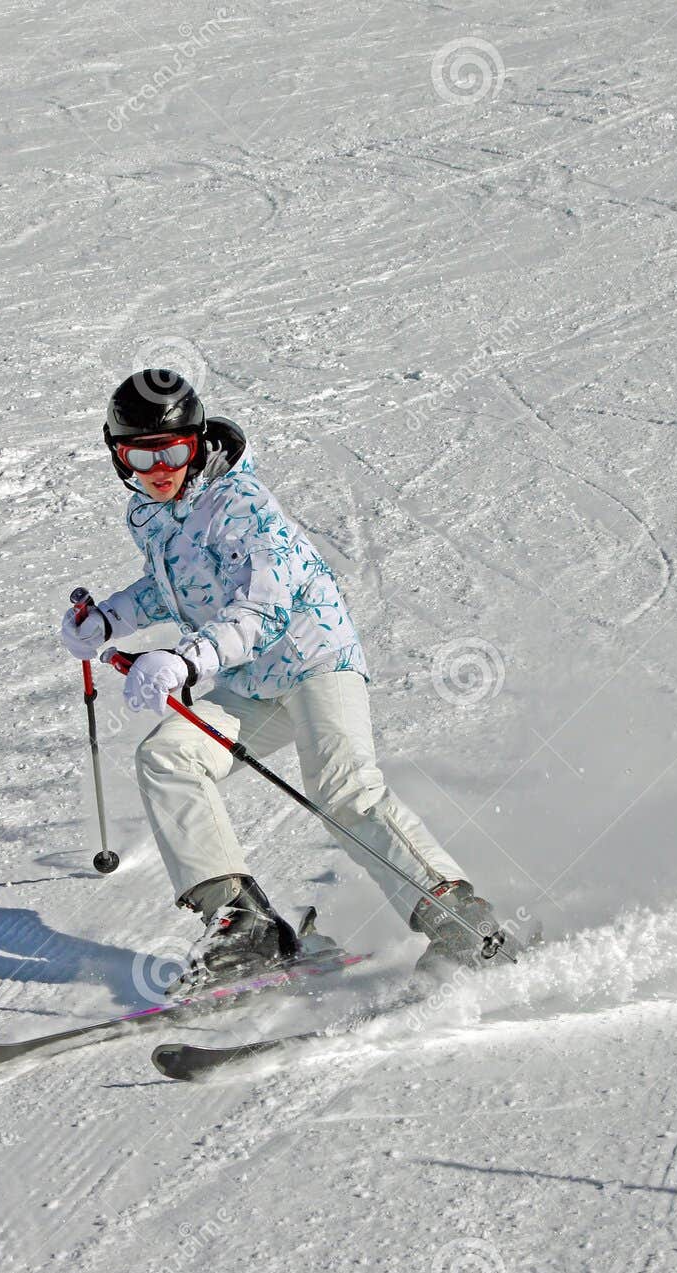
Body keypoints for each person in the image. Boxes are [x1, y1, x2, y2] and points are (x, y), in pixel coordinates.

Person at [61, 368, 507, 988]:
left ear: (197, 443)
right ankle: (245, 927)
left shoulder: (243, 508)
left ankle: (460, 921)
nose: (158, 468)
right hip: (252, 678)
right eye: (141, 454)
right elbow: (177, 587)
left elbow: (262, 611)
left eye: (174, 450)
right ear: (118, 457)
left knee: (343, 791)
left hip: (314, 658)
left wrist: (186, 661)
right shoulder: (149, 513)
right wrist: (110, 619)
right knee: (167, 756)